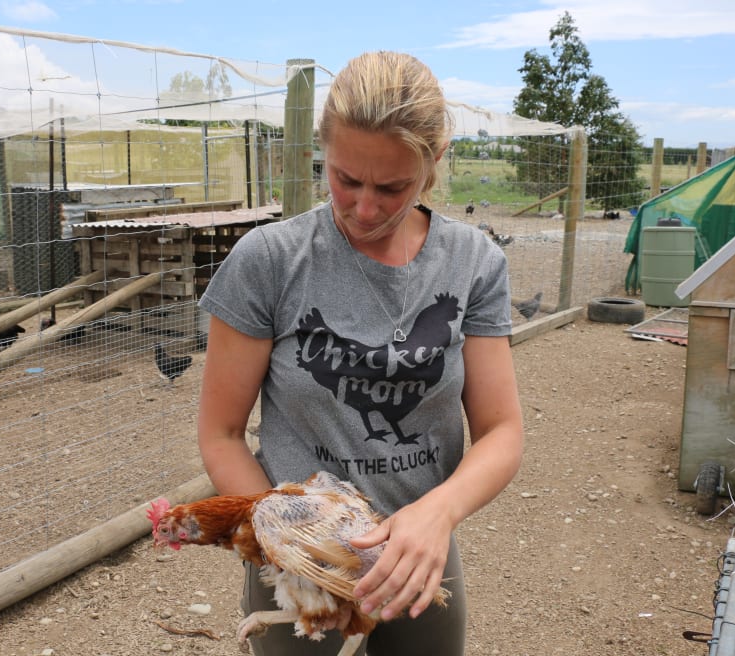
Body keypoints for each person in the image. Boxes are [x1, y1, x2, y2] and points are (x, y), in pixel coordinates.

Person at [196, 50, 524, 655]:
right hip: (301, 557)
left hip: (418, 551)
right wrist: (284, 537)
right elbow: (220, 433)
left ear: (434, 166)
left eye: (393, 187)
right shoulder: (270, 261)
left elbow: (501, 430)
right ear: (322, 152)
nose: (365, 208)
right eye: (345, 179)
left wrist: (438, 515)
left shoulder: (473, 264)